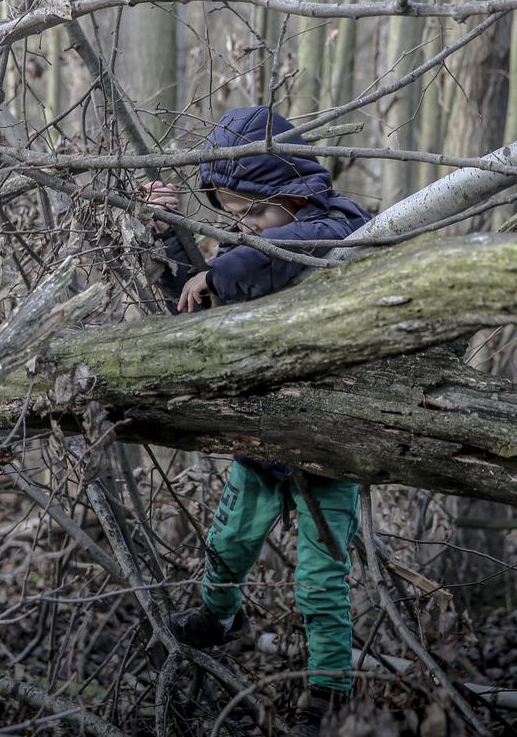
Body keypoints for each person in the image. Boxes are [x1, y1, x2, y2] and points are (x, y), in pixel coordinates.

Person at [145, 105, 371, 737]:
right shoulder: (250, 249)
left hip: (331, 436)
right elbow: (198, 305)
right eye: (233, 217)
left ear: (290, 194)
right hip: (263, 433)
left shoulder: (340, 226)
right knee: (229, 543)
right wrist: (168, 230)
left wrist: (220, 269)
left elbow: (281, 255)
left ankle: (327, 692)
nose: (242, 230)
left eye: (252, 215)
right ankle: (220, 616)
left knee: (320, 580)